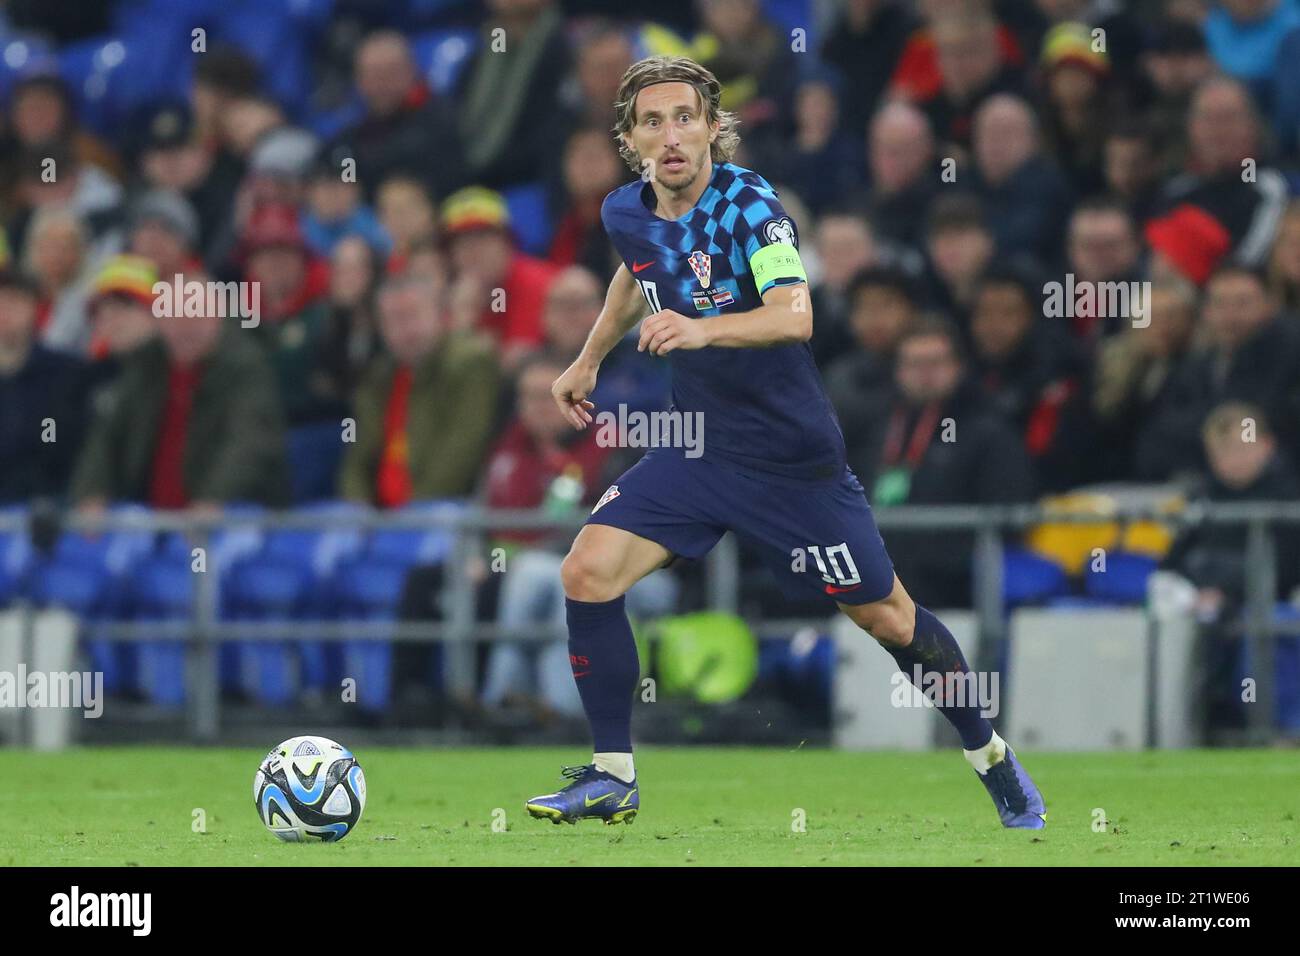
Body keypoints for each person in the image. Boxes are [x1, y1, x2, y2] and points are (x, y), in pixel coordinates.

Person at [526, 55, 1046, 829]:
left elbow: (794, 314)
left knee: (891, 622)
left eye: (685, 118)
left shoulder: (751, 208)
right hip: (699, 450)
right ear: (630, 139)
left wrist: (702, 331)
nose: (671, 136)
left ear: (711, 128)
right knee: (588, 570)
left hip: (792, 463)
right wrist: (589, 357)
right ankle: (612, 775)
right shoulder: (624, 212)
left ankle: (990, 755)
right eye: (652, 121)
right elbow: (637, 276)